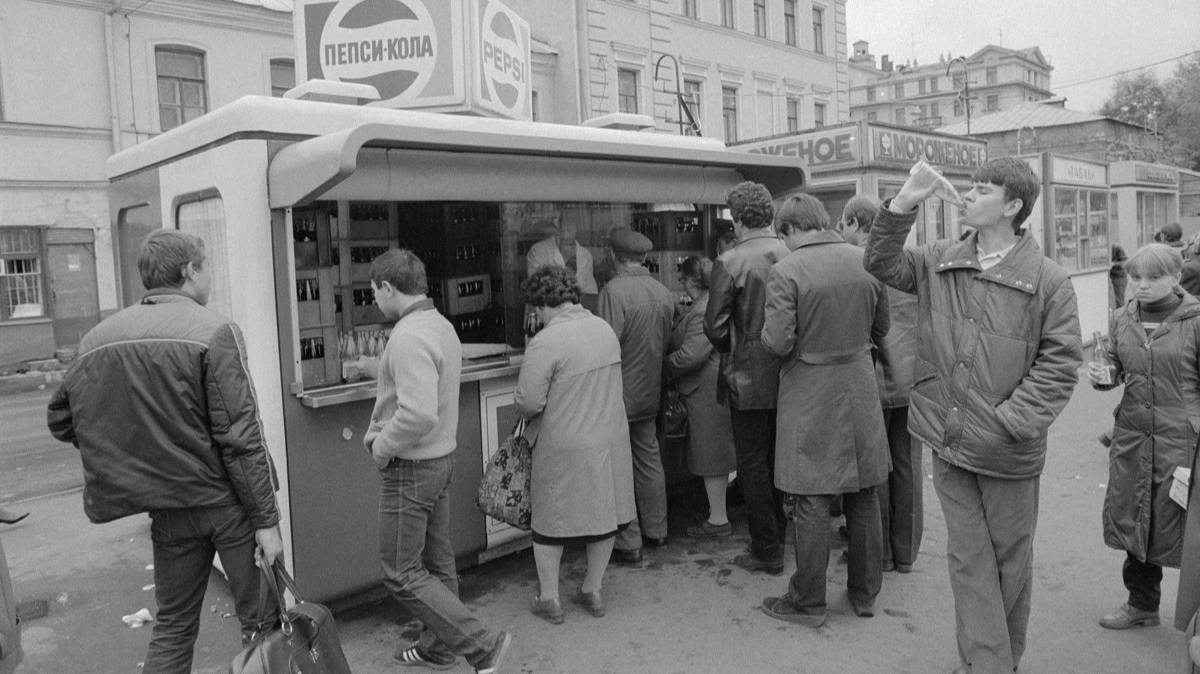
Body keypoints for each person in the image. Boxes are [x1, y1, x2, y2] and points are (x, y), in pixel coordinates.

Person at [863, 157, 1082, 674]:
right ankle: (989, 663)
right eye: (970, 187)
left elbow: (1062, 361)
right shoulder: (941, 258)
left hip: (1008, 450)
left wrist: (1010, 422)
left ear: (1012, 206)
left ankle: (993, 660)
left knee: (1009, 564)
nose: (968, 196)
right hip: (950, 439)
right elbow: (878, 263)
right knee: (968, 562)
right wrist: (905, 200)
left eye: (982, 191)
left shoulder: (1048, 280)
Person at [45, 230, 284, 673]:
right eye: (206, 265)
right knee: (262, 625)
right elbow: (242, 438)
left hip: (168, 510)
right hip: (228, 506)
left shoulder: (97, 339)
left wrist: (134, 447)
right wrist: (267, 522)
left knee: (173, 626)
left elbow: (63, 420)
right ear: (191, 271)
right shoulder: (214, 331)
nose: (209, 274)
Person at [364, 249, 511, 673]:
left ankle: (482, 645)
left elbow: (417, 413)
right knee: (437, 562)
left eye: (375, 291)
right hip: (440, 460)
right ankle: (437, 647)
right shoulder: (439, 325)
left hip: (411, 467)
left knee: (400, 572)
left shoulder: (408, 336)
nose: (374, 300)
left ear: (389, 288)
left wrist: (382, 445)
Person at [760, 194, 890, 627]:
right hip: (858, 383)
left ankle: (809, 600)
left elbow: (777, 342)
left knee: (812, 495)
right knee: (865, 491)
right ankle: (865, 593)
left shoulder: (786, 271)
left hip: (810, 389)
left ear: (793, 230)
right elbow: (882, 328)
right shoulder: (866, 260)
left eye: (784, 236)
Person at [514, 265, 635, 624]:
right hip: (608, 437)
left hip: (563, 440)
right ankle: (592, 589)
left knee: (551, 520)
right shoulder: (603, 329)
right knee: (603, 514)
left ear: (540, 304)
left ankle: (550, 597)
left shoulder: (546, 341)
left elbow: (528, 402)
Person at [1088, 244, 1199, 634]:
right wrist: (1106, 374)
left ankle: (1196, 618)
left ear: (1177, 277)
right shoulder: (1121, 318)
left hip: (1183, 440)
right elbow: (1116, 370)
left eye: (1154, 277)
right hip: (1134, 436)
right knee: (1137, 518)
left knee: (1190, 529)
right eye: (1136, 277)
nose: (1142, 285)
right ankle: (1141, 604)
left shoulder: (1196, 320)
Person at [704, 181, 790, 575]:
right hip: (790, 373)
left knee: (753, 464)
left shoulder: (730, 261)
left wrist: (734, 348)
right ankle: (780, 539)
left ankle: (766, 549)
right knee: (779, 461)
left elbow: (715, 327)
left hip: (747, 375)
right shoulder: (791, 253)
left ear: (738, 220)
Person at [841, 195, 923, 574]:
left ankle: (883, 554)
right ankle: (904, 553)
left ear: (858, 224)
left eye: (845, 223)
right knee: (906, 466)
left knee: (878, 471)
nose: (842, 230)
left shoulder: (860, 265)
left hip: (874, 379)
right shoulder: (914, 264)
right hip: (914, 379)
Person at [597, 228, 675, 565]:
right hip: (650, 392)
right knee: (649, 459)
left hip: (618, 394)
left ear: (614, 256)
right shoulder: (662, 291)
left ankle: (629, 542)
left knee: (619, 467)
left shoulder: (613, 292)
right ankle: (657, 530)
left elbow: (605, 345)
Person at [666, 256, 737, 539]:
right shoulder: (705, 304)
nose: (680, 283)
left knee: (711, 453)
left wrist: (664, 366)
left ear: (692, 280)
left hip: (705, 390)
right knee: (715, 451)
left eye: (682, 278)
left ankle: (718, 520)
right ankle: (718, 514)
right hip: (709, 388)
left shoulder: (704, 309)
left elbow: (691, 355)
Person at [526, 218, 599, 312]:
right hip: (546, 315)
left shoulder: (586, 256)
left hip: (576, 316)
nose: (565, 234)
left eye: (569, 229)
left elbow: (591, 294)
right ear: (557, 229)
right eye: (562, 229)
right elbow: (536, 290)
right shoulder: (538, 251)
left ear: (576, 229)